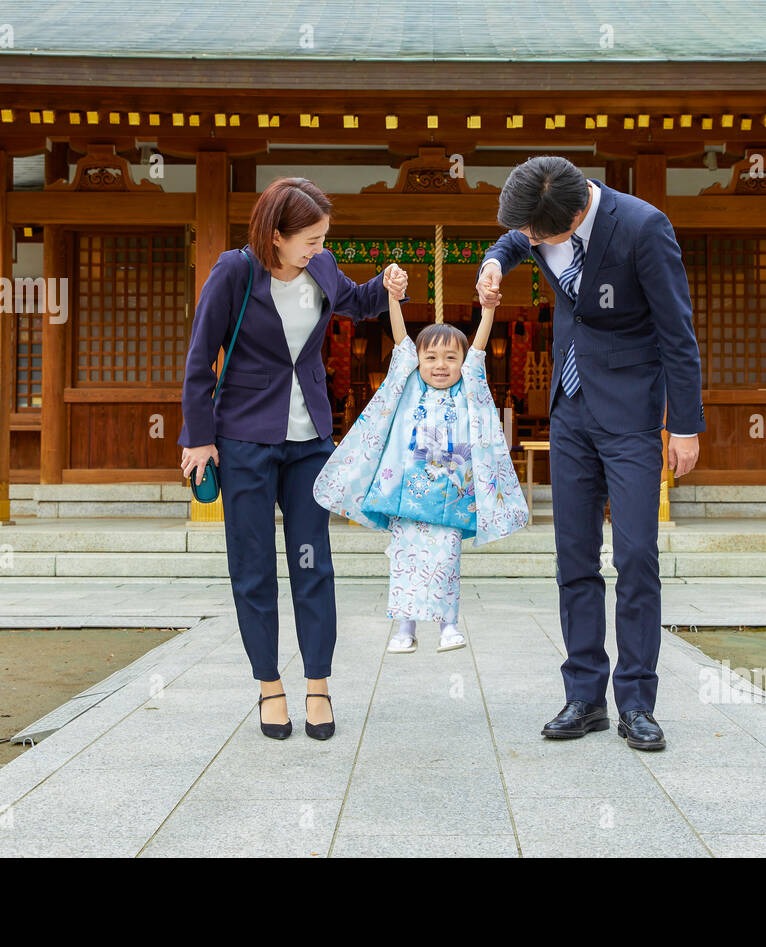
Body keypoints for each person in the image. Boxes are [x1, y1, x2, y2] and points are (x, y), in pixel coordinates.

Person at [475, 156, 704, 751]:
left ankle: (636, 702)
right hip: (569, 409)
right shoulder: (536, 220)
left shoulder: (643, 227)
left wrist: (683, 425)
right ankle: (584, 696)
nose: (529, 241)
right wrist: (496, 261)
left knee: (635, 558)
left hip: (630, 413)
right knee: (573, 559)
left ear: (576, 215)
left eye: (536, 236)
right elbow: (513, 236)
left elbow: (678, 332)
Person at [178, 176, 409, 741]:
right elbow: (199, 356)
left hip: (310, 445)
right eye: (310, 238)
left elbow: (356, 303)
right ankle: (269, 688)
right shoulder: (234, 272)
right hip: (244, 440)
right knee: (253, 569)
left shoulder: (322, 268)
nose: (319, 248)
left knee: (312, 565)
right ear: (276, 235)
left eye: (324, 237)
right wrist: (198, 437)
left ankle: (318, 685)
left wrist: (388, 284)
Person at [313, 280, 528, 654]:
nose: (440, 365)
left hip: (450, 498)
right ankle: (404, 627)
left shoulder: (469, 388)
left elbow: (479, 346)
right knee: (405, 560)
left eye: (450, 358)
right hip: (406, 497)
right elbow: (400, 341)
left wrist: (488, 307)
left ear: (463, 363)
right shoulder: (410, 384)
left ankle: (448, 626)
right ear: (419, 361)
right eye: (430, 357)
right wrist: (393, 300)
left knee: (445, 560)